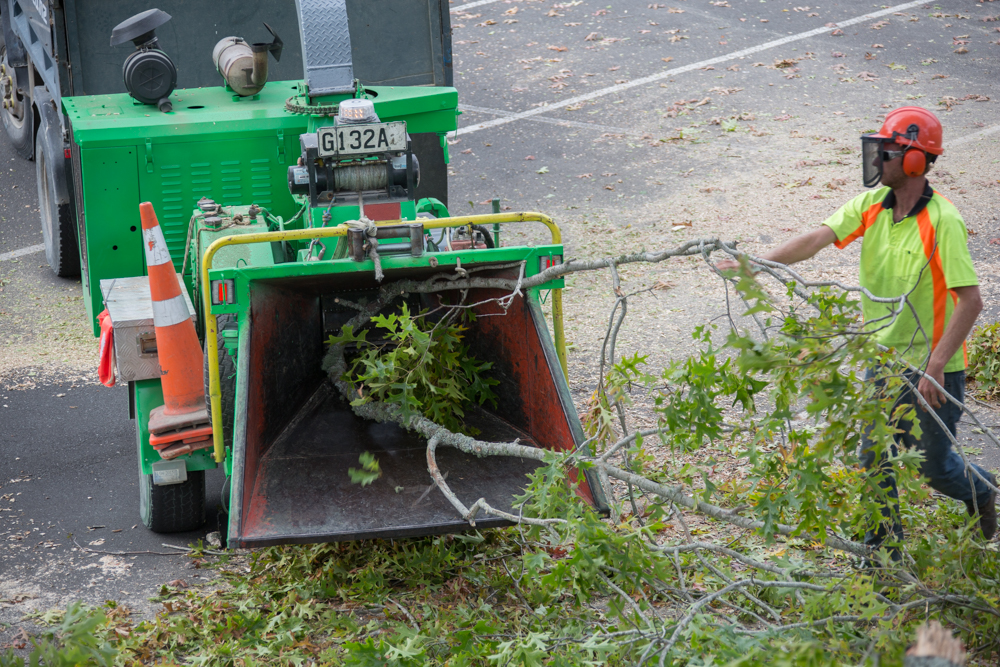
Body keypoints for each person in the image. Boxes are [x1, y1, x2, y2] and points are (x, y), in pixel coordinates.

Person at [717, 106, 996, 548]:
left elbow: (971, 301)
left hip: (933, 368)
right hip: (883, 361)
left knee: (932, 468)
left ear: (914, 160)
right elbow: (815, 239)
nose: (876, 160)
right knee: (874, 458)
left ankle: (981, 490)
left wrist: (936, 364)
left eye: (886, 152)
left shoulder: (943, 221)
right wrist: (756, 264)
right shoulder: (871, 207)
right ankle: (882, 551)